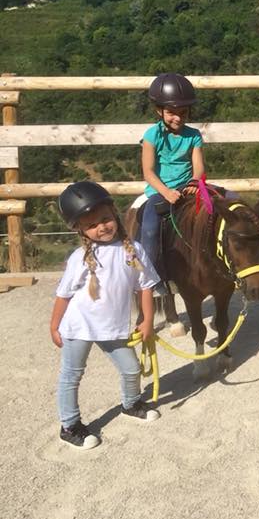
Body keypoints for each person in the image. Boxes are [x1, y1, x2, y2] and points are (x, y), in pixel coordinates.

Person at [52, 181, 161, 449]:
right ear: (80, 229)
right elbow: (63, 294)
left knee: (131, 368)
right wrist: (55, 326)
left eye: (104, 219)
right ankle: (70, 425)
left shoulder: (133, 249)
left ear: (114, 212)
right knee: (72, 375)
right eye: (91, 225)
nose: (101, 227)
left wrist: (147, 319)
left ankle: (131, 403)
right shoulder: (80, 257)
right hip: (78, 326)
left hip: (113, 327)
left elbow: (145, 287)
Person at [140, 73, 204, 289]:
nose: (177, 117)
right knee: (149, 229)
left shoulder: (194, 136)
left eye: (182, 112)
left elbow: (199, 168)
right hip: (160, 190)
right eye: (171, 112)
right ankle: (151, 277)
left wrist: (195, 183)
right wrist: (166, 192)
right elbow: (148, 172)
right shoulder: (152, 135)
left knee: (225, 207)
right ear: (159, 110)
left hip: (188, 188)